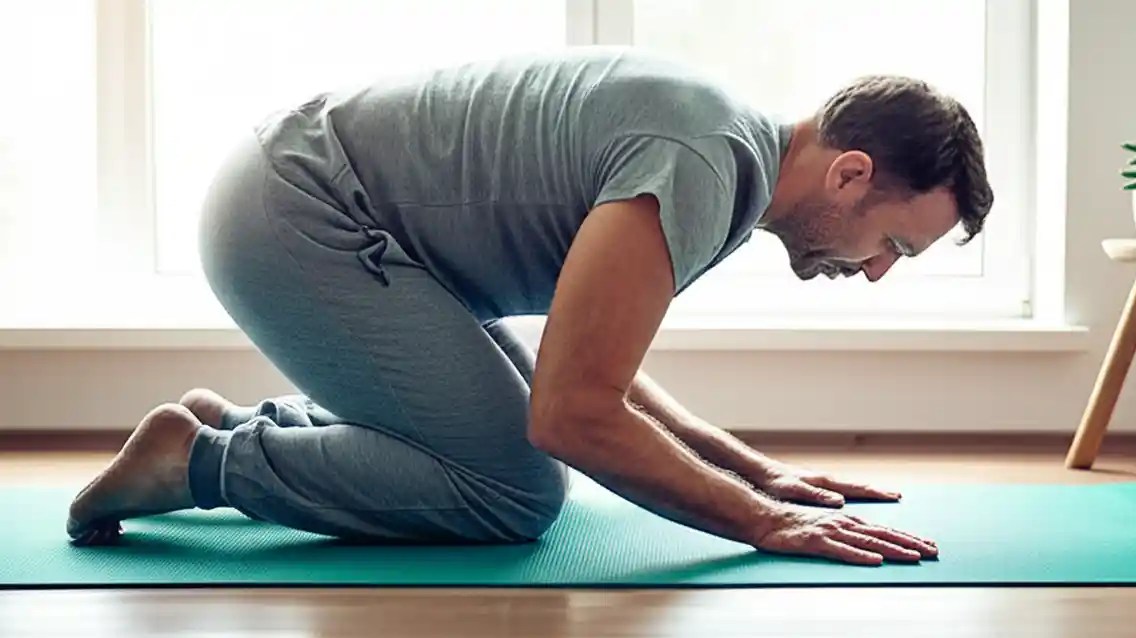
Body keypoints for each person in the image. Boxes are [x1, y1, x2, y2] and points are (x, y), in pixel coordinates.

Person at [67, 47, 992, 566]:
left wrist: (753, 471)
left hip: (326, 211)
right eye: (894, 245)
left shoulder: (724, 156)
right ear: (853, 172)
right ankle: (204, 465)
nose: (876, 272)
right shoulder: (704, 166)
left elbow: (594, 368)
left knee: (509, 443)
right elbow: (574, 413)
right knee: (516, 487)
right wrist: (764, 524)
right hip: (299, 212)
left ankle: (222, 429)